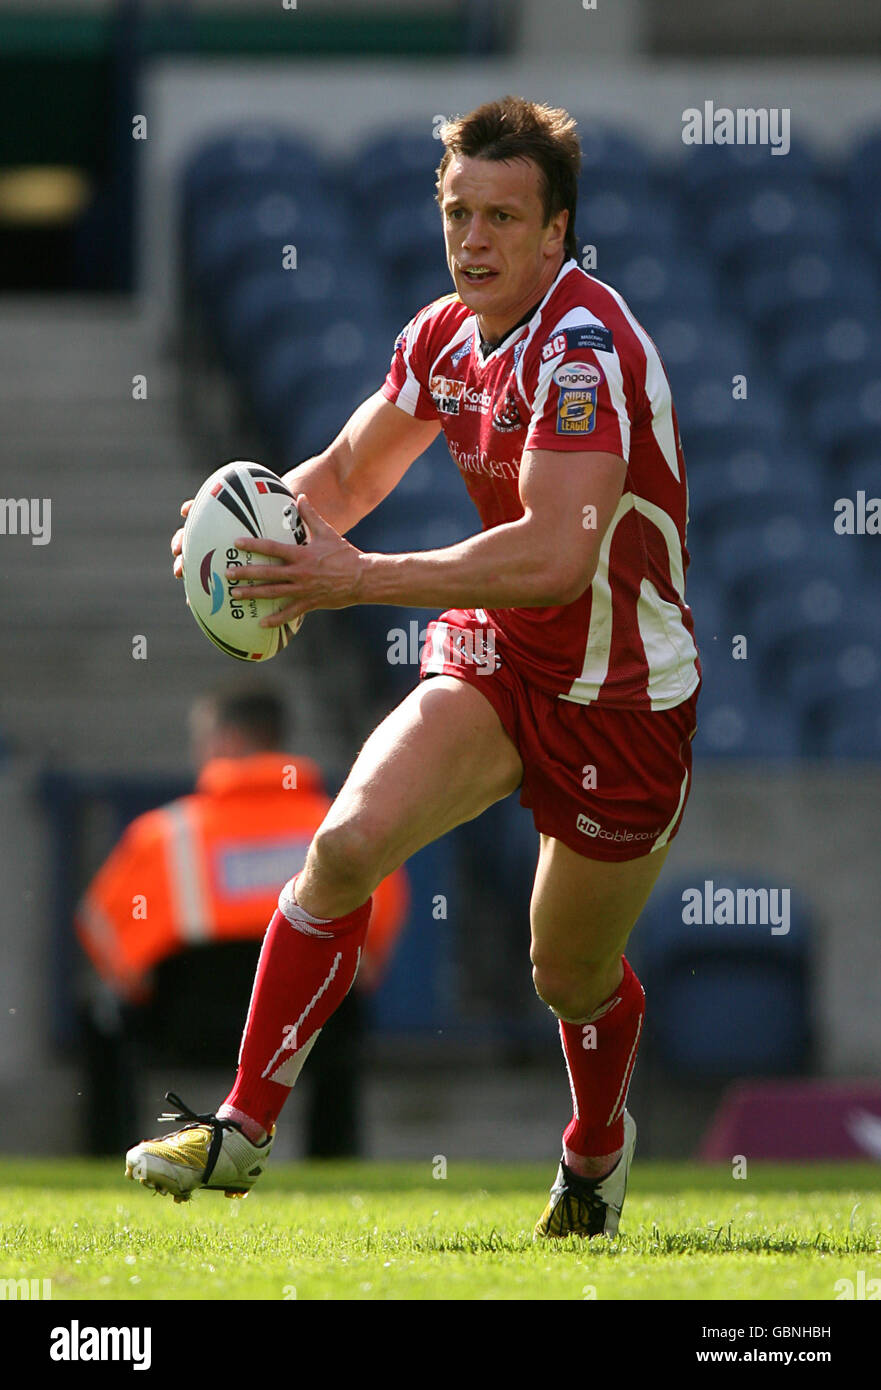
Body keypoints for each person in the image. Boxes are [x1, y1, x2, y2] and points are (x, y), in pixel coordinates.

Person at [127, 95, 700, 1237]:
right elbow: (340, 475)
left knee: (564, 977)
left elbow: (550, 555)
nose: (473, 240)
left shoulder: (581, 352)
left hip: (618, 691)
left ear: (556, 234)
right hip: (494, 654)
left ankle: (592, 1151)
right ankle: (239, 1129)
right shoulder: (441, 332)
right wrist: (247, 522)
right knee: (342, 845)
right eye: (456, 213)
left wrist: (355, 578)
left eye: (501, 217)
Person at [77, 686, 408, 1158]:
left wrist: (146, 985)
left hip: (185, 1029)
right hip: (305, 1036)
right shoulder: (339, 831)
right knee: (345, 1013)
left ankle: (113, 1153)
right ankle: (334, 1160)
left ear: (226, 742)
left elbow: (100, 929)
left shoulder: (165, 835)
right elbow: (370, 955)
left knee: (104, 1017)